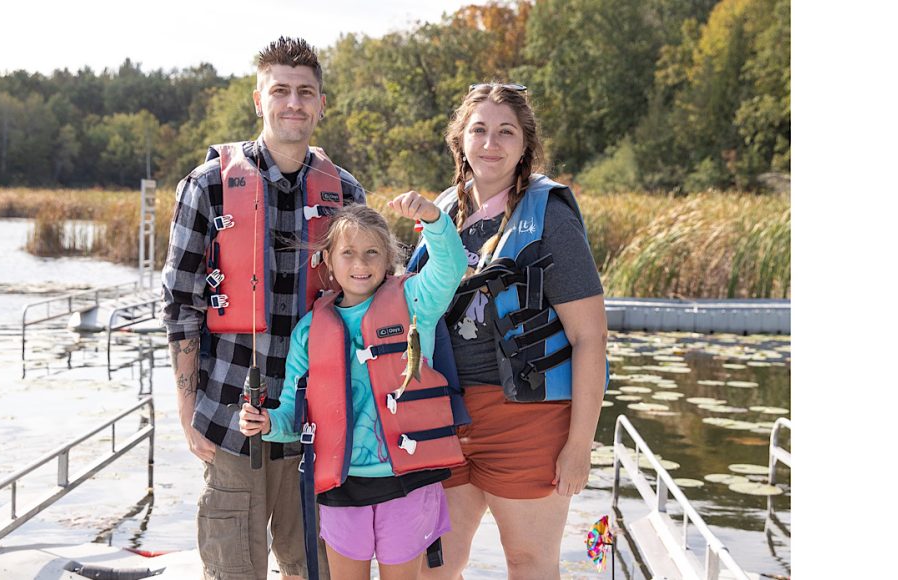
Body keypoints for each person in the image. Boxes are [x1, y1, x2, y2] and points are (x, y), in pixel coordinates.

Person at [161, 37, 366, 580]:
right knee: (234, 570)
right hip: (233, 419)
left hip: (317, 422)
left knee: (316, 569)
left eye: (305, 92)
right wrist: (187, 414)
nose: (293, 103)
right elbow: (181, 304)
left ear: (322, 104)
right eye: (280, 90)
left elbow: (368, 308)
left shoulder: (346, 193)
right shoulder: (205, 187)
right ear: (259, 100)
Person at [408, 83, 609, 580]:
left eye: (505, 132)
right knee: (432, 567)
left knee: (529, 562)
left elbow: (590, 338)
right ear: (460, 141)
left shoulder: (550, 215)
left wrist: (579, 445)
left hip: (528, 421)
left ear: (525, 145)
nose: (490, 143)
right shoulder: (441, 213)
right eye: (478, 130)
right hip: (443, 415)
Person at [238, 197, 468, 580]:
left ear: (388, 256)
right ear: (328, 259)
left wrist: (432, 217)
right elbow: (294, 417)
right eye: (348, 253)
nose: (360, 265)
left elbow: (451, 266)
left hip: (407, 483)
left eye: (372, 252)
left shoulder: (416, 302)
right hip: (343, 486)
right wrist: (265, 423)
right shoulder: (309, 331)